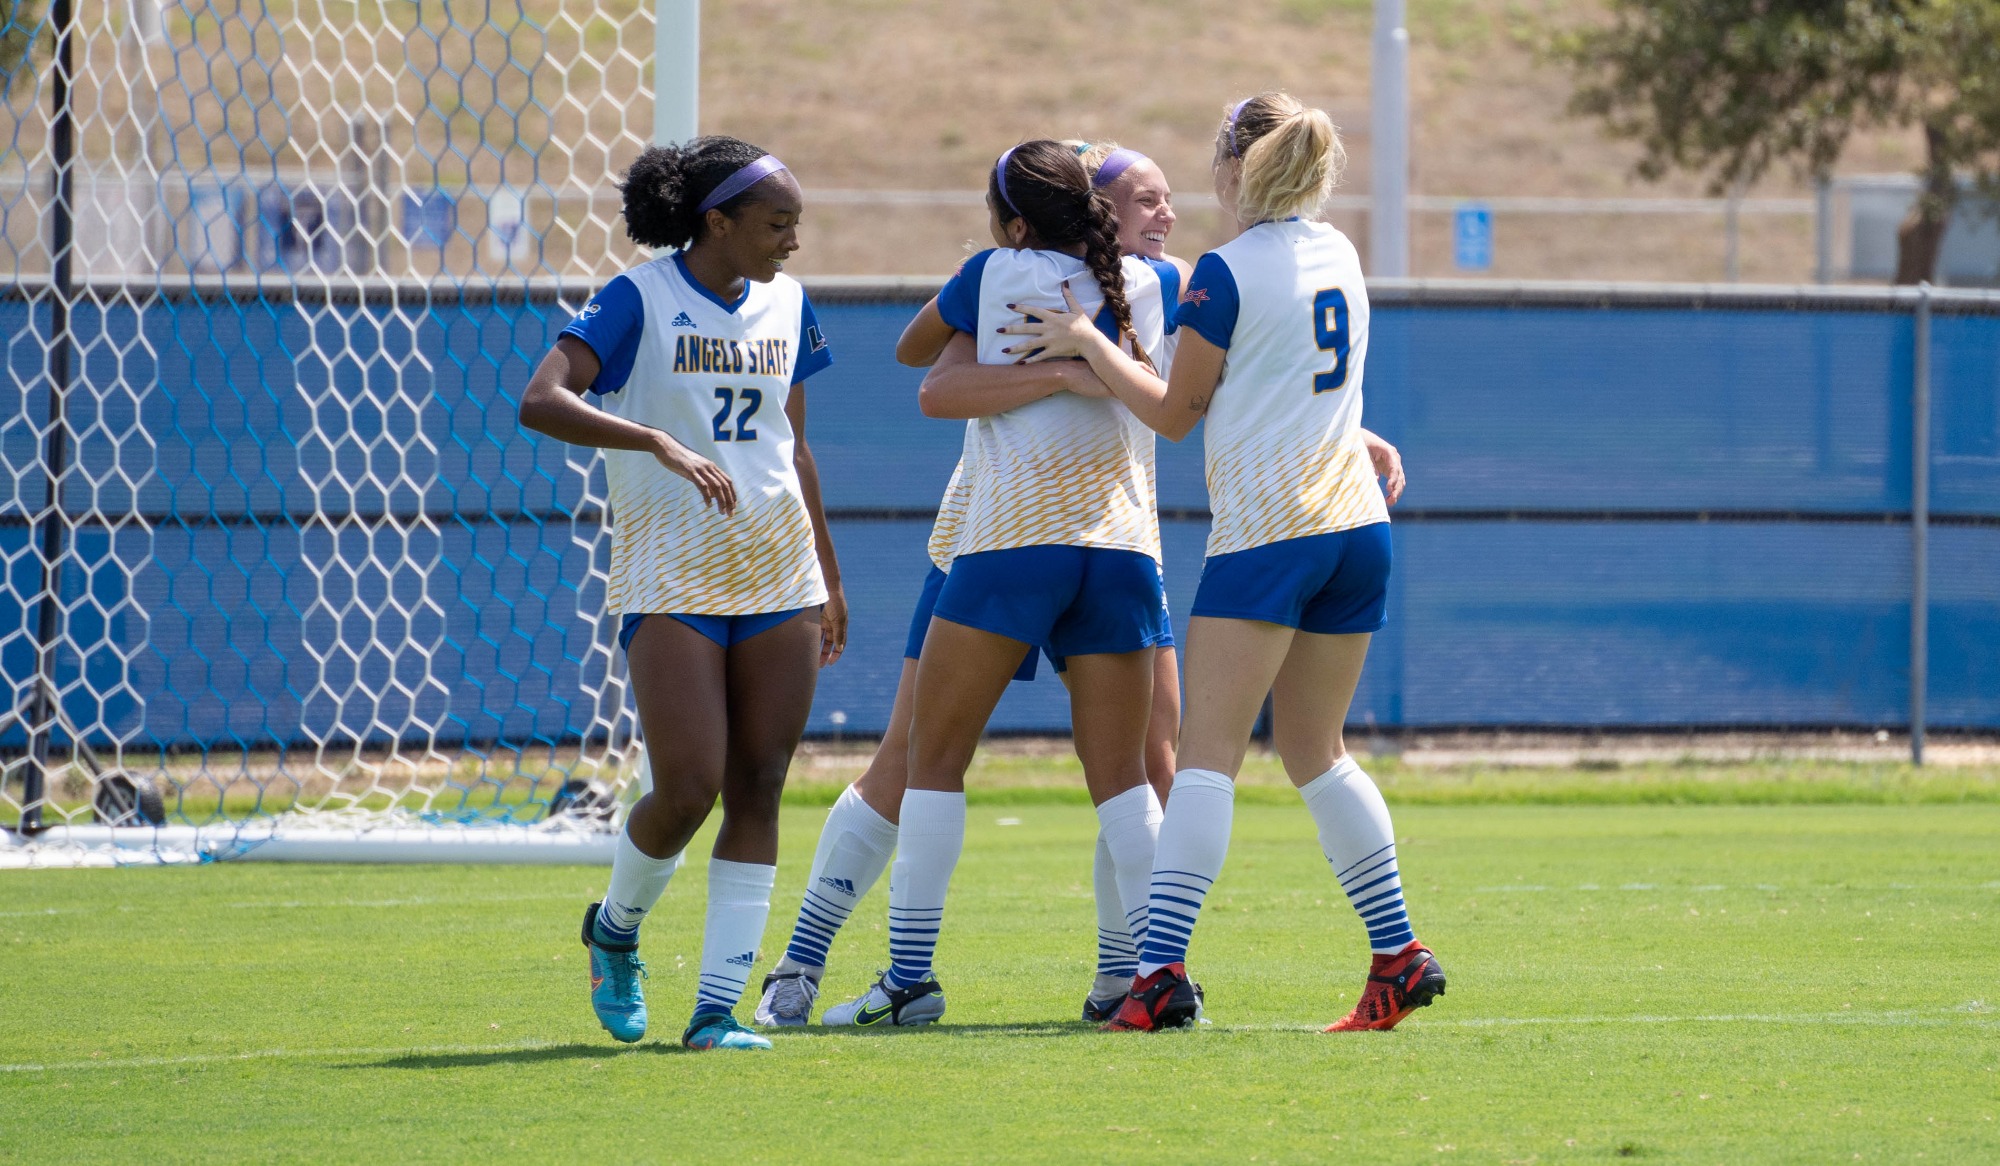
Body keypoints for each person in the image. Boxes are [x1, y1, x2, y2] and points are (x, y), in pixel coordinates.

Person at [999, 93, 1445, 1034]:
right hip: (1357, 531)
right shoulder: (1341, 252)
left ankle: (1155, 975)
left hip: (1273, 532)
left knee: (1203, 763)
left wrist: (1083, 344)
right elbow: (1283, 381)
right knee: (1316, 755)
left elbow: (1172, 413)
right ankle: (1398, 953)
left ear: (1232, 168)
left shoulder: (1223, 275)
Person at [815, 139, 1180, 1028]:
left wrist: (997, 302)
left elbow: (915, 361)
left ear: (1014, 222)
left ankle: (907, 982)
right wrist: (1078, 362)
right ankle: (1160, 979)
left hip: (1013, 539)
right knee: (1128, 780)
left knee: (931, 761)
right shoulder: (1159, 287)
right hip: (1123, 549)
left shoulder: (992, 270)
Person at [517, 136, 846, 1052]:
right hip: (672, 568)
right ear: (718, 222)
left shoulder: (789, 303)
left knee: (760, 783)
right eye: (778, 223)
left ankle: (716, 1013)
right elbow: (539, 400)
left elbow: (794, 444)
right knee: (691, 782)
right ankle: (614, 930)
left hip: (779, 563)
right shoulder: (640, 297)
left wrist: (830, 572)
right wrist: (652, 440)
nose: (792, 240)